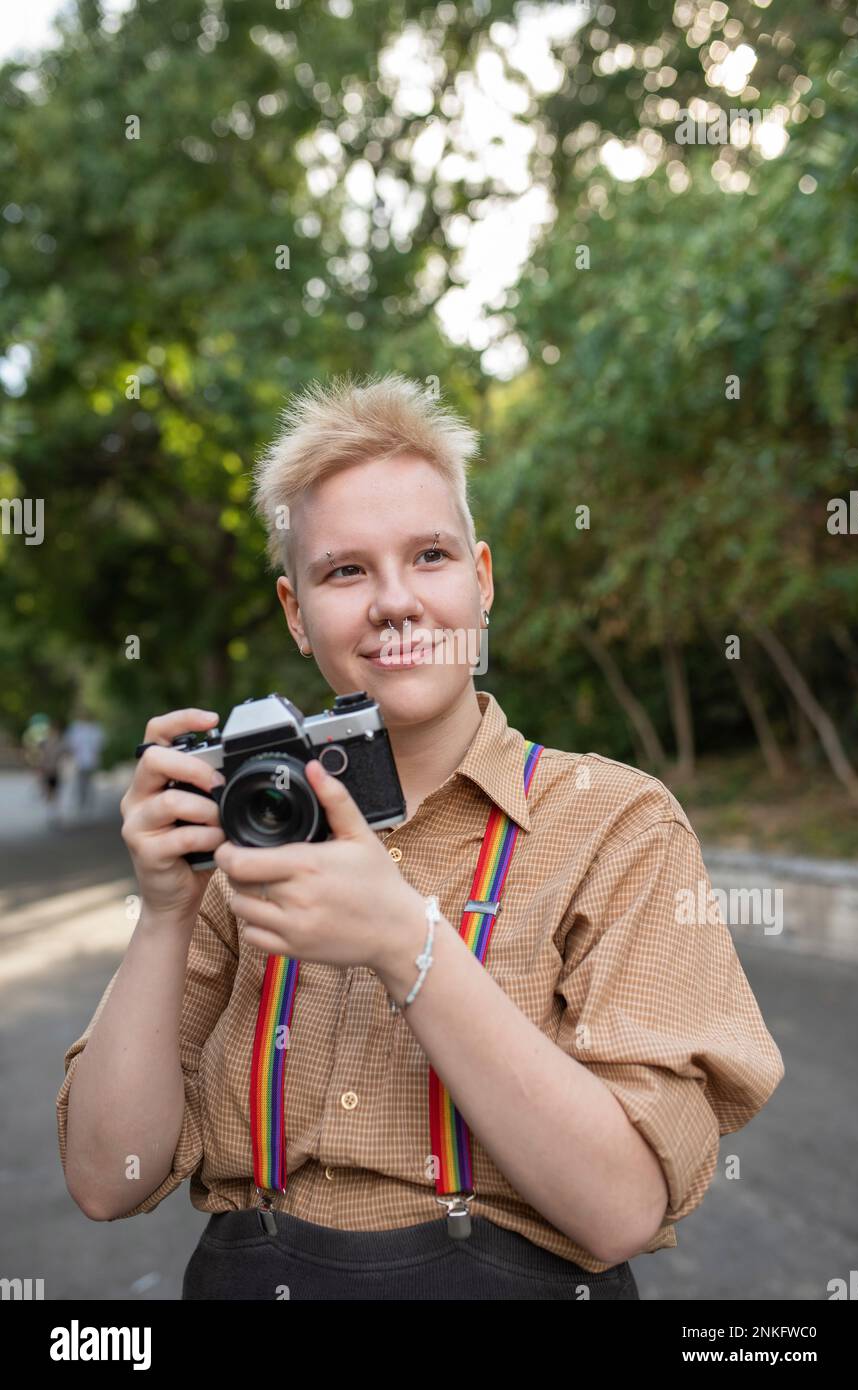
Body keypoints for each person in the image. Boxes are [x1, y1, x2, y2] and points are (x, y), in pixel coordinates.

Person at [56, 373, 785, 1301]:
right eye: (345, 570)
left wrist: (406, 943)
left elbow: (621, 1211)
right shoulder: (247, 835)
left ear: (480, 581)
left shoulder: (615, 824)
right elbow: (103, 1180)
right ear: (295, 611)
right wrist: (164, 912)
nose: (394, 603)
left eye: (430, 556)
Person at [62, 708, 105, 817]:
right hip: (79, 760)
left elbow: (100, 743)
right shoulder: (76, 728)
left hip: (91, 760)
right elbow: (70, 743)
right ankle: (81, 803)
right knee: (80, 782)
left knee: (89, 782)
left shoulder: (94, 728)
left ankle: (88, 803)